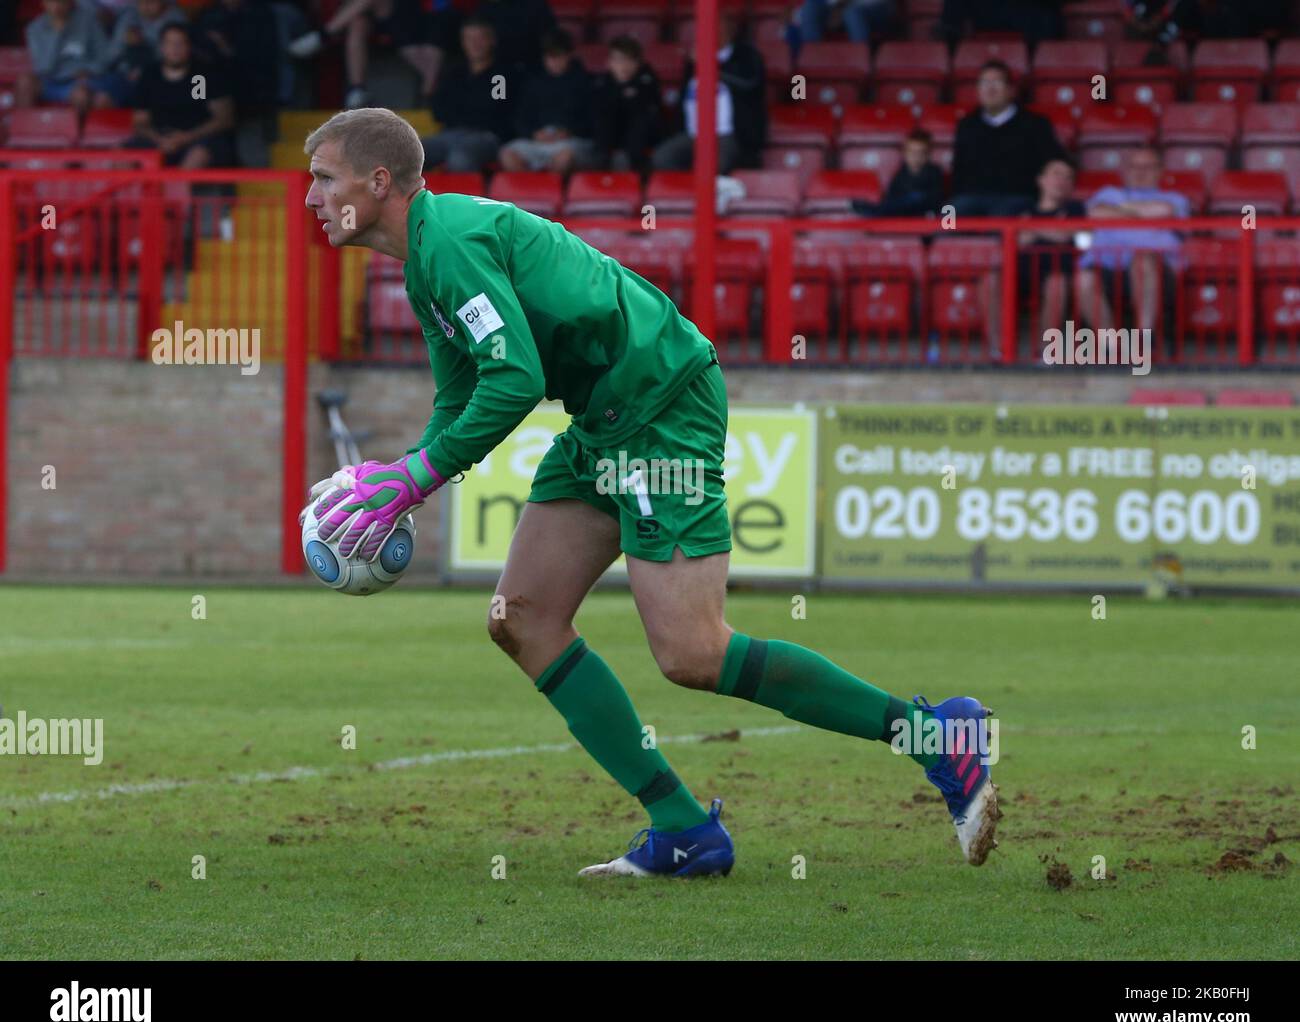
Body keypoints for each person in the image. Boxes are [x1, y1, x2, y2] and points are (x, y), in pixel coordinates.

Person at [301, 108, 1001, 877]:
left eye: (323, 178)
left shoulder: (454, 244)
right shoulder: (427, 259)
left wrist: (418, 473)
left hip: (660, 403)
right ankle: (683, 827)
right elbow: (462, 392)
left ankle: (937, 737)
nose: (310, 197)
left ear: (377, 181)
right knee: (522, 619)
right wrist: (410, 474)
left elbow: (516, 380)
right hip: (603, 420)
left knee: (693, 652)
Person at [1075, 146, 1187, 335]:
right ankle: (1108, 343)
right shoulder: (1106, 193)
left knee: (1141, 261)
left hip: (1157, 267)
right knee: (1083, 278)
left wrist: (1117, 210)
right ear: (1125, 171)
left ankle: (1144, 337)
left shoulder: (1175, 198)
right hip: (1106, 263)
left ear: (1160, 171)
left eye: (1148, 167)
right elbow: (1095, 212)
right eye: (1135, 167)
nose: (1140, 172)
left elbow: (1164, 210)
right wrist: (1143, 213)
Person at [983, 157, 1084, 352]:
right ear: (1041, 180)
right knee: (990, 279)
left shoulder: (1075, 208)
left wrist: (1031, 227)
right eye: (1056, 174)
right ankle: (998, 349)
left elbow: (1065, 234)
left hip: (1058, 271)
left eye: (1068, 177)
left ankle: (1045, 351)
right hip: (1020, 270)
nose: (1062, 180)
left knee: (1057, 283)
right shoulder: (1020, 206)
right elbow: (1012, 240)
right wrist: (1050, 230)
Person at [651, 11, 766, 175]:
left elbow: (749, 84)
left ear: (731, 30)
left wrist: (708, 65)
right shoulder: (693, 62)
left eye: (718, 26)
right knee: (662, 158)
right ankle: (685, 195)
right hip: (693, 134)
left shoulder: (747, 55)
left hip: (728, 135)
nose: (712, 30)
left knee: (714, 166)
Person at [949, 60, 1066, 218]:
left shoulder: (1035, 124)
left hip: (1018, 198)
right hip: (972, 198)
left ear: (1011, 90)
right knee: (947, 218)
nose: (990, 89)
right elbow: (958, 171)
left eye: (996, 82)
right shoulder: (967, 125)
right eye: (984, 83)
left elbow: (1052, 164)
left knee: (1001, 221)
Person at [286, 0, 446, 108]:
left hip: (408, 12)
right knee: (357, 23)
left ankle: (323, 36)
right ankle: (357, 88)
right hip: (372, 16)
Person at [125, 24, 236, 168]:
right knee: (122, 157)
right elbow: (140, 122)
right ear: (161, 47)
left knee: (198, 155)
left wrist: (187, 137)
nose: (175, 49)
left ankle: (176, 189)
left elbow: (225, 119)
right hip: (159, 138)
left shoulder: (203, 74)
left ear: (189, 46)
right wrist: (160, 140)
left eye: (180, 43)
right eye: (170, 43)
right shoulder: (149, 75)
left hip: (199, 139)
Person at [421, 17, 515, 173]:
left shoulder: (500, 75)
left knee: (460, 158)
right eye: (469, 39)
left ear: (491, 41)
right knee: (410, 154)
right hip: (451, 133)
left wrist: (462, 112)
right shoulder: (455, 72)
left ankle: (461, 199)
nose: (475, 44)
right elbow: (439, 108)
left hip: (486, 136)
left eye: (480, 38)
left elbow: (498, 111)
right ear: (463, 42)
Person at [498, 29, 594, 176]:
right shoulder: (533, 83)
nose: (554, 61)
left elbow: (593, 120)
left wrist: (568, 132)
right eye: (550, 57)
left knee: (564, 157)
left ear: (569, 55)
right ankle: (530, 193)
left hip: (571, 141)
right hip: (537, 141)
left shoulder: (585, 81)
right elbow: (520, 118)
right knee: (507, 154)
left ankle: (550, 194)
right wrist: (533, 134)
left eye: (559, 56)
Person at [17, 0, 129, 113]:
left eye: (61, 2)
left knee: (81, 95)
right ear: (43, 3)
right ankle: (23, 129)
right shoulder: (35, 29)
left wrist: (88, 70)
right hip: (50, 80)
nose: (56, 7)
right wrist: (57, 34)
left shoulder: (88, 21)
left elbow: (104, 58)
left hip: (79, 81)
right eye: (51, 2)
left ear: (70, 2)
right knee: (25, 82)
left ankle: (78, 130)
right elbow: (44, 67)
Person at [591, 35, 664, 173]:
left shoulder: (647, 79)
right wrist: (621, 90)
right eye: (618, 60)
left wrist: (625, 91)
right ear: (609, 62)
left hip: (640, 140)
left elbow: (648, 110)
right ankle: (600, 168)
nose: (623, 65)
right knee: (604, 119)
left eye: (628, 60)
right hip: (610, 137)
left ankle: (636, 172)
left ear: (637, 62)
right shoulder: (602, 82)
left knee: (640, 119)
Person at [851, 128, 944, 218]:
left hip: (922, 212)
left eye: (920, 152)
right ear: (905, 153)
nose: (916, 157)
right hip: (901, 212)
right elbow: (891, 198)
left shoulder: (934, 172)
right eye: (912, 152)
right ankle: (875, 211)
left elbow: (935, 200)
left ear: (928, 154)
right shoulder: (900, 174)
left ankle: (874, 211)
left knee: (916, 197)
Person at [106, 0, 188, 87]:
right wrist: (125, 41)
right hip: (123, 73)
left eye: (151, 2)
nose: (146, 5)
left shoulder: (176, 18)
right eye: (142, 2)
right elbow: (112, 52)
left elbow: (173, 57)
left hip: (160, 76)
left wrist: (143, 43)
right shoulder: (130, 14)